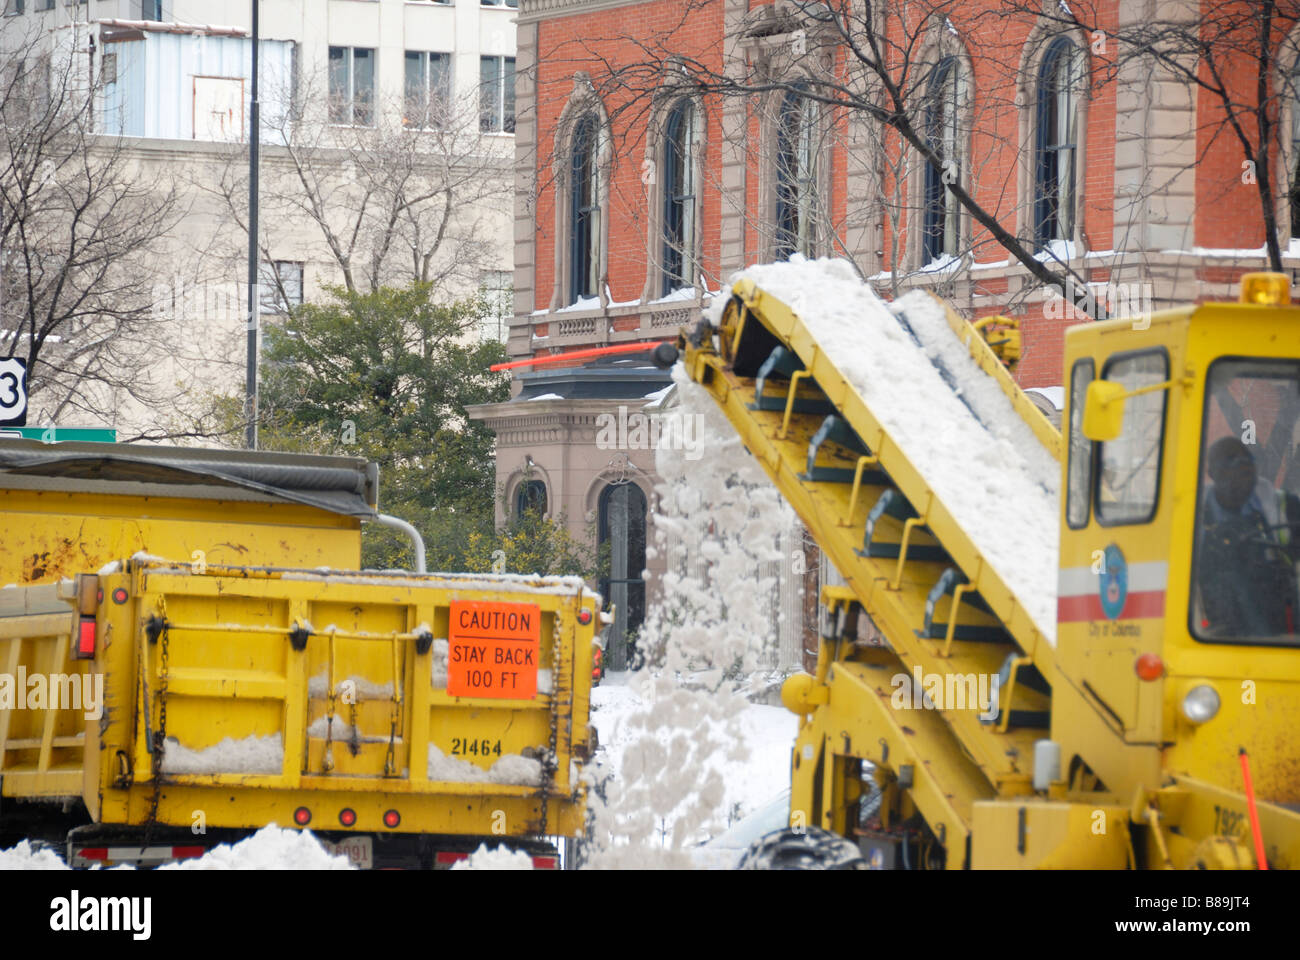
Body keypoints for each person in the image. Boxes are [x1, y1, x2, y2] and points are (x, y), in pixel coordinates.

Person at [1197, 437, 1300, 637]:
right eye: (1230, 461)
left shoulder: (1285, 506)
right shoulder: (1193, 516)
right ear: (1212, 474)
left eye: (1247, 459)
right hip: (1217, 631)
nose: (1242, 466)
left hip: (1282, 628)